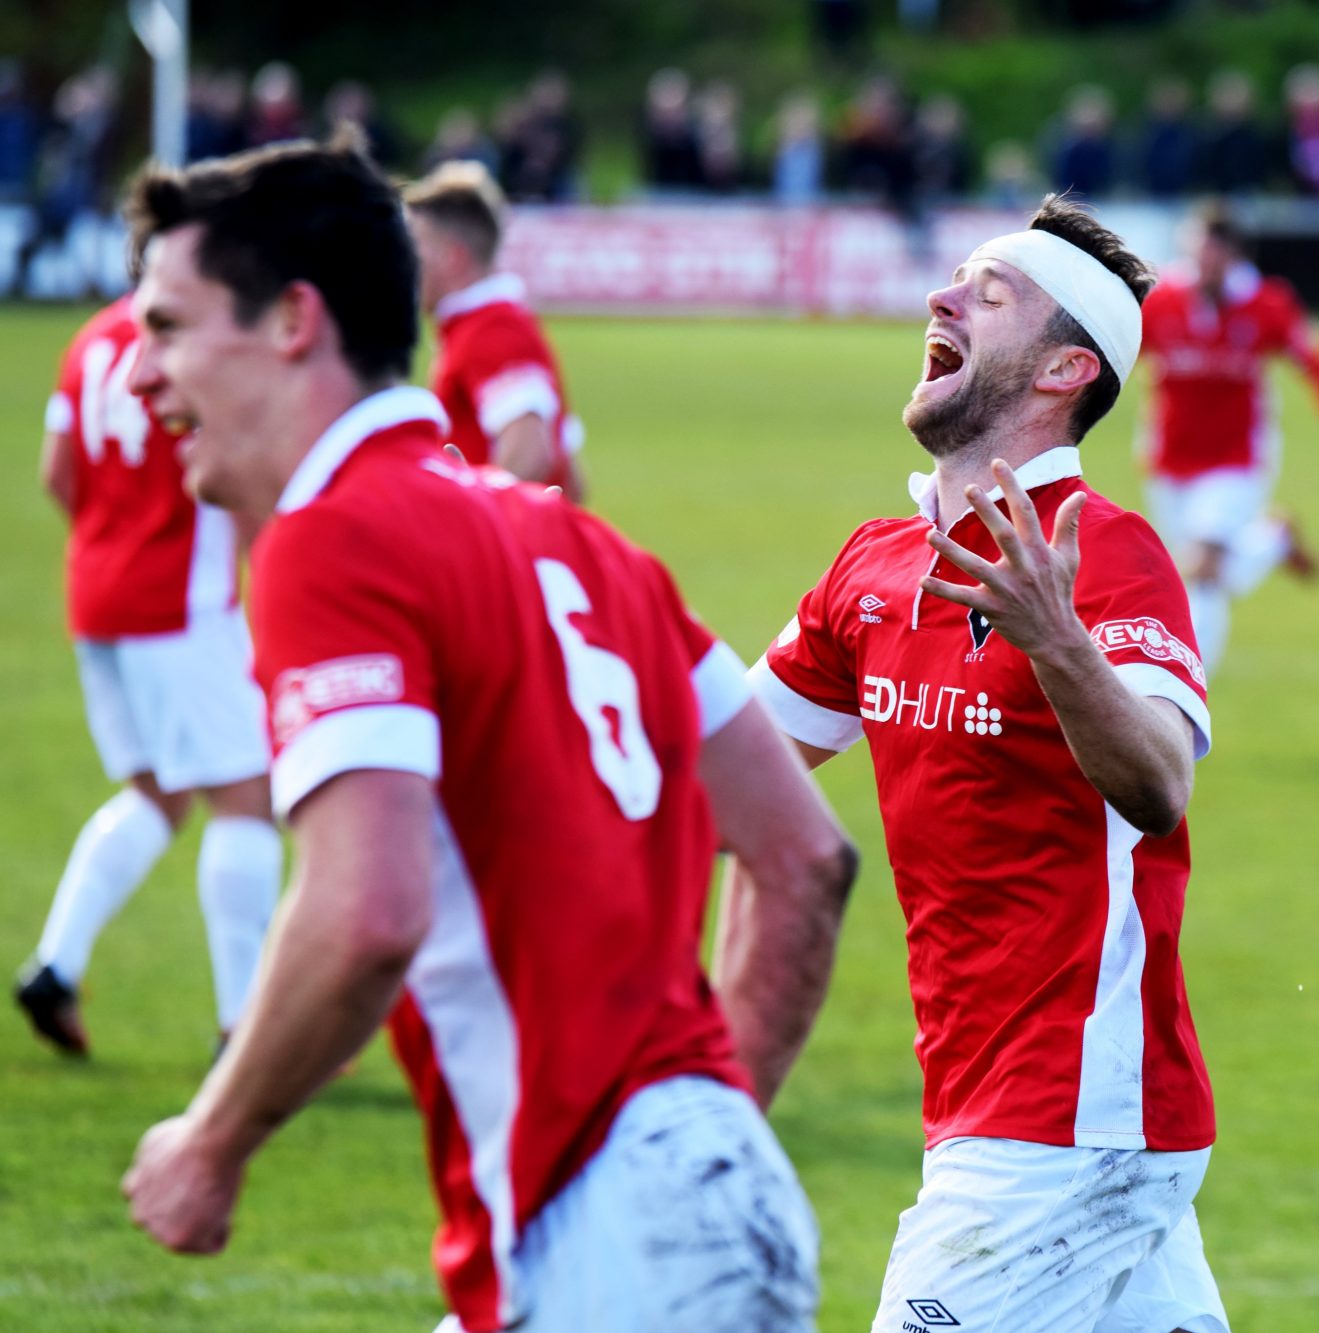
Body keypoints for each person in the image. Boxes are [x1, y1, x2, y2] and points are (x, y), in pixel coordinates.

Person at [114, 137, 858, 1332]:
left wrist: (213, 1139)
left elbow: (366, 910)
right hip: (704, 1189)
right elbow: (803, 858)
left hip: (609, 1232)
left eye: (168, 326)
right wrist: (707, 1126)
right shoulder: (590, 544)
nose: (139, 375)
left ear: (293, 320)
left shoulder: (332, 536)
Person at [745, 195, 1229, 1333]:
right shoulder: (872, 565)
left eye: (990, 292)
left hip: (1063, 1125)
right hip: (1016, 1113)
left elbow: (1159, 782)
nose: (942, 297)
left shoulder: (1104, 553)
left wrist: (1052, 635)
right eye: (954, 278)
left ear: (1065, 369)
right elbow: (725, 765)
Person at [14, 295, 279, 1056]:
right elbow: (235, 466)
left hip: (96, 594)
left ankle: (56, 967)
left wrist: (113, 537)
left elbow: (56, 474)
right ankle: (245, 1025)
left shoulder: (92, 334)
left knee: (156, 797)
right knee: (245, 796)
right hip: (178, 602)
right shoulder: (197, 334)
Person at [1139, 203, 1319, 670]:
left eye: (1212, 253)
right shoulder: (1161, 300)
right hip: (1171, 459)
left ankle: (1187, 691)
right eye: (1194, 251)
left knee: (1201, 565)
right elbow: (1116, 362)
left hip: (1237, 458)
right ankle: (1273, 540)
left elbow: (1316, 364)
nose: (1201, 262)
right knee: (1196, 575)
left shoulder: (1267, 303)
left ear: (1233, 256)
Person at [404, 160, 586, 498]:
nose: (407, 265)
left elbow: (531, 448)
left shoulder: (491, 330)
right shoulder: (498, 324)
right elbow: (573, 479)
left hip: (508, 546)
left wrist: (480, 525)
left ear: (452, 258)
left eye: (416, 249)